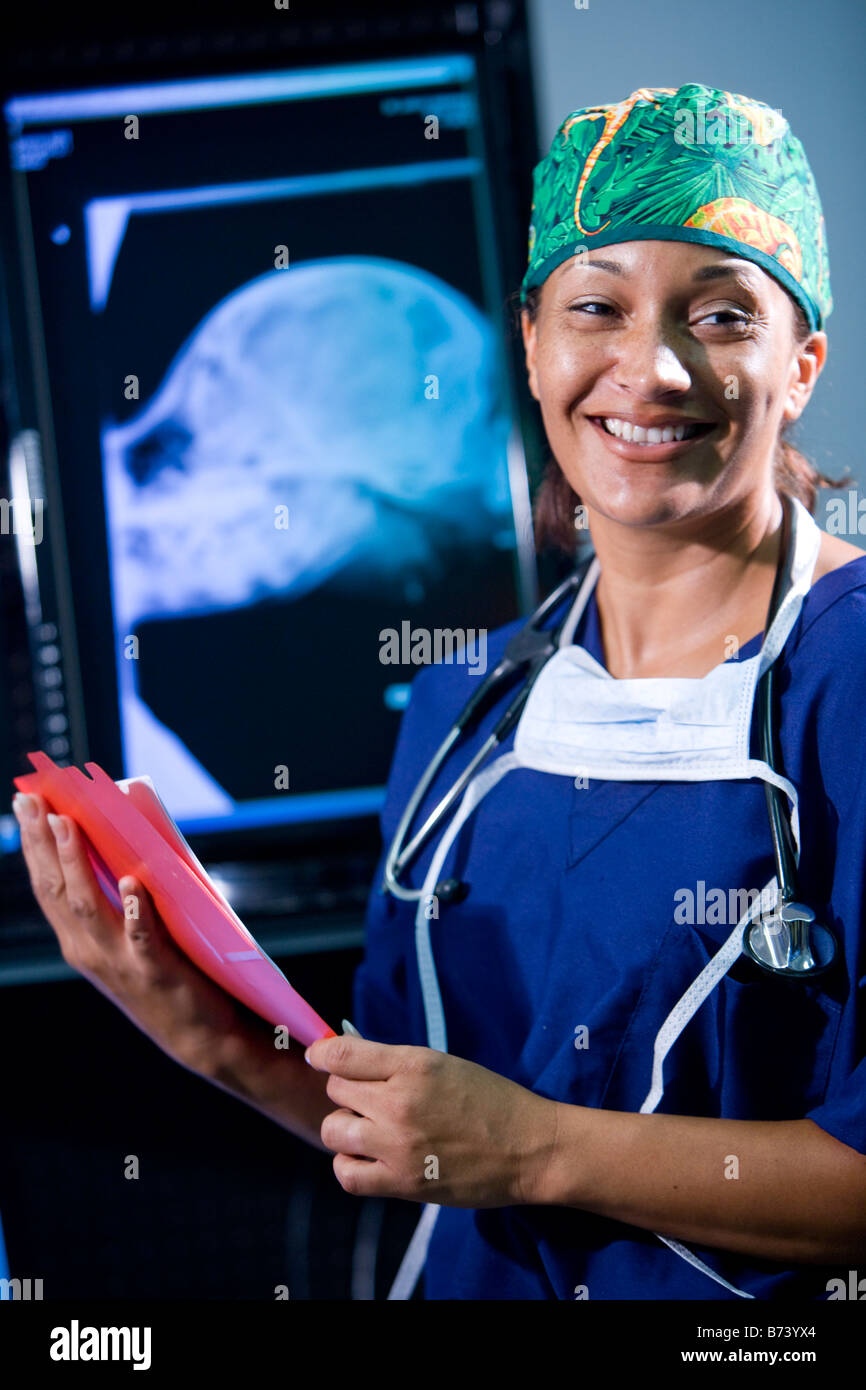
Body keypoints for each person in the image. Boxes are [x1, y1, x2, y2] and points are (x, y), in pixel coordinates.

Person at [12, 83, 866, 1300]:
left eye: (720, 315)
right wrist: (201, 1028)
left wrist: (537, 1151)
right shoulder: (461, 710)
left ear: (799, 365)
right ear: (529, 343)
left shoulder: (851, 675)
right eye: (595, 307)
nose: (651, 368)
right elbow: (413, 1126)